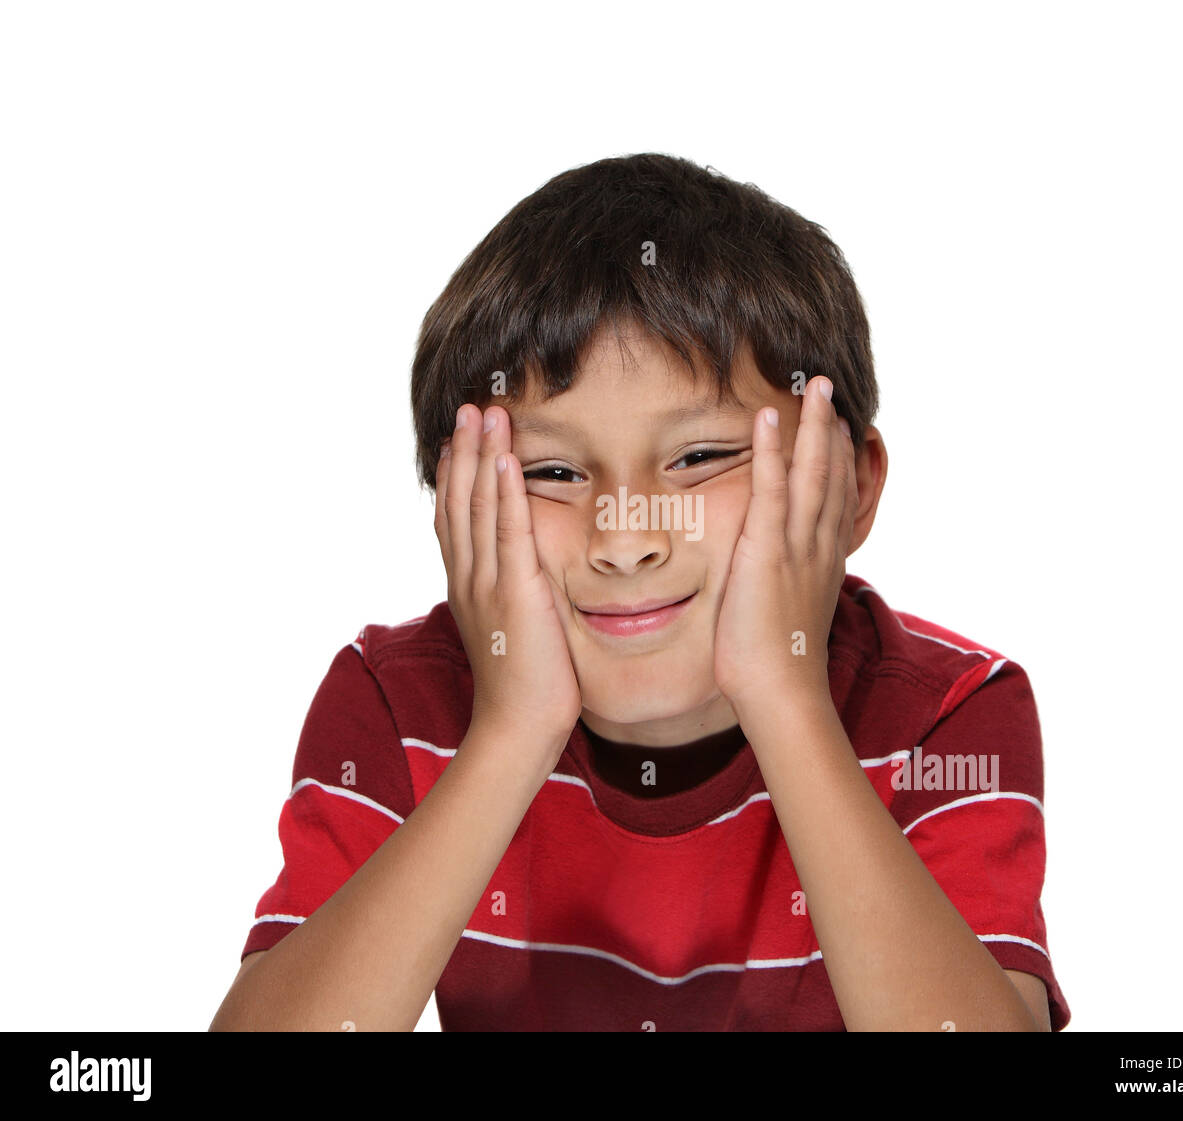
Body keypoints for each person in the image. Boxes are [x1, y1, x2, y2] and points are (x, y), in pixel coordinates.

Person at [210, 153, 1069, 1031]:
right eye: (550, 470)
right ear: (455, 498)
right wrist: (512, 730)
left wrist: (784, 695)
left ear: (849, 485)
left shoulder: (948, 710)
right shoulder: (398, 704)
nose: (623, 537)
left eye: (699, 457)